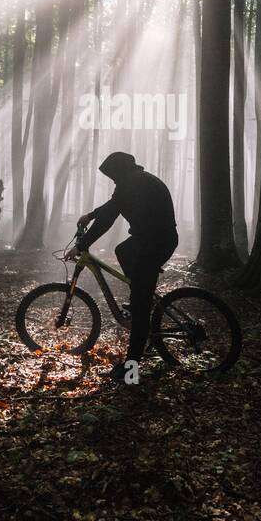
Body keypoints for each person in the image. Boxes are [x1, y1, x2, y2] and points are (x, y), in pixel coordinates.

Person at [77, 152, 178, 381]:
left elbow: (109, 217)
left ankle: (131, 367)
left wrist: (82, 244)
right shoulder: (137, 180)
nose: (112, 180)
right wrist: (90, 215)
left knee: (140, 307)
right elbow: (112, 205)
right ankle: (142, 290)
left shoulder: (130, 183)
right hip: (151, 239)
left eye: (112, 175)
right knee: (122, 250)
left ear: (119, 170)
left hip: (154, 243)